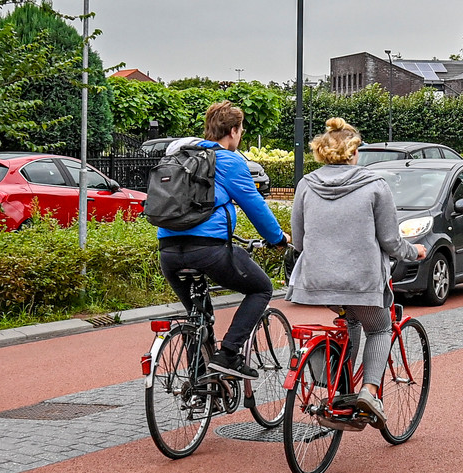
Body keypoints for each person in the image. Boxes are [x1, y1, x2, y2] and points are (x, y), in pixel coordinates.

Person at [286, 117, 426, 423]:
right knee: (378, 327)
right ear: (354, 152)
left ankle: (339, 389)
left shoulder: (305, 185)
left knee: (349, 321)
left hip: (317, 281)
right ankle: (369, 392)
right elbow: (390, 241)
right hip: (361, 281)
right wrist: (413, 251)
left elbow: (298, 241)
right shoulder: (375, 185)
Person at [158, 101, 289, 379]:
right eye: (240, 130)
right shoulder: (228, 161)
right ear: (232, 131)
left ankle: (199, 386)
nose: (240, 136)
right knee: (261, 289)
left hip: (168, 252)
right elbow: (256, 207)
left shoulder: (180, 158)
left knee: (197, 314)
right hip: (208, 251)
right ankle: (229, 355)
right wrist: (278, 238)